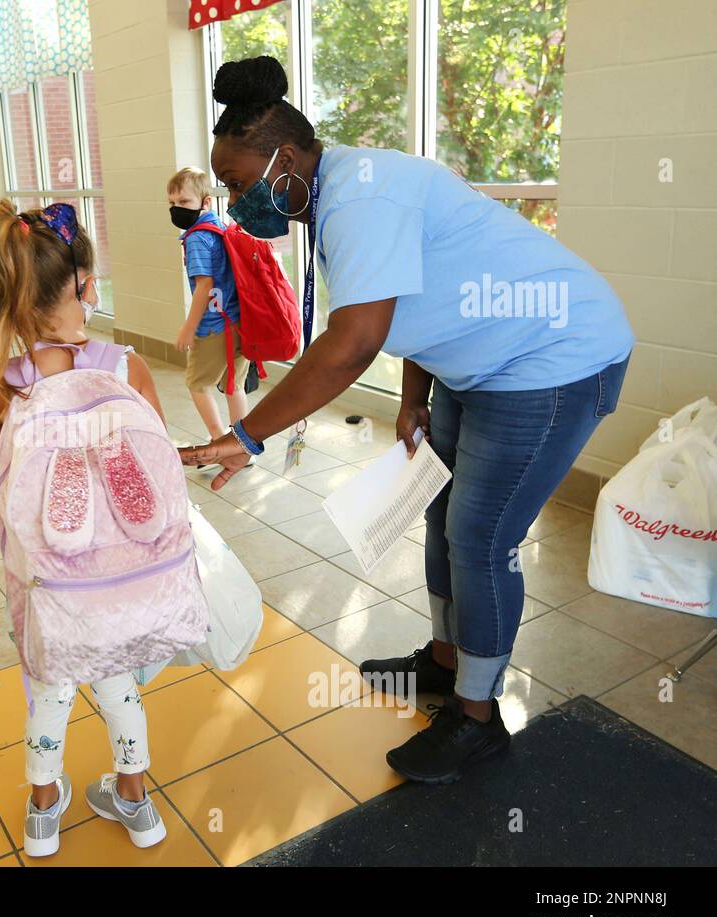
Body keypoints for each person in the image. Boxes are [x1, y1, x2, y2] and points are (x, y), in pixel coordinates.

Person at [181, 56, 634, 784]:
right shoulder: (337, 190)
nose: (236, 204)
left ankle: (478, 720)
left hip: (554, 358)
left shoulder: (363, 198)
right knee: (438, 510)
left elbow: (351, 343)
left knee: (480, 538)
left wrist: (245, 435)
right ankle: (446, 661)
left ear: (285, 159)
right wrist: (415, 395)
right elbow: (413, 296)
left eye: (237, 184)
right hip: (476, 365)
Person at [0, 199, 168, 856]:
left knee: (50, 682)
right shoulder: (128, 367)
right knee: (116, 676)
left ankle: (44, 810)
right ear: (87, 286)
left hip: (42, 576)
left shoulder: (0, 385)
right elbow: (157, 473)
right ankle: (134, 801)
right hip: (119, 571)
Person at [167, 166, 251, 452]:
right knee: (233, 386)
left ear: (205, 202)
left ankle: (218, 441)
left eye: (184, 202)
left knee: (197, 384)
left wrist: (189, 328)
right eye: (172, 203)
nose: (176, 209)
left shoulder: (196, 238)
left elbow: (204, 286)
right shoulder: (220, 227)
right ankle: (243, 446)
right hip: (239, 321)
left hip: (213, 326)